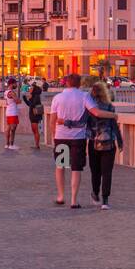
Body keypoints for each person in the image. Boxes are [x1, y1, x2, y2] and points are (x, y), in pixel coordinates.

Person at [49, 73, 117, 209]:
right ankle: (74, 200)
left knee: (60, 167)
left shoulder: (58, 98)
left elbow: (52, 121)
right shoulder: (84, 96)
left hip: (61, 137)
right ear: (79, 84)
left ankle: (61, 196)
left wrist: (54, 136)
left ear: (66, 82)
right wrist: (113, 115)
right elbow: (96, 112)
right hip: (77, 138)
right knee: (76, 168)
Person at [85, 81, 124, 210]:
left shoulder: (89, 107)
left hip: (93, 142)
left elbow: (83, 123)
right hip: (108, 143)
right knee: (107, 172)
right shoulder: (110, 107)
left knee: (95, 171)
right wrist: (120, 142)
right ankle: (105, 200)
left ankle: (95, 193)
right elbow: (114, 126)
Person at [25, 82, 45, 148]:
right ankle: (36, 144)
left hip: (34, 115)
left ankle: (37, 145)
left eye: (31, 88)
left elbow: (33, 104)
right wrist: (25, 99)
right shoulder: (34, 96)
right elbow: (30, 105)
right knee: (34, 130)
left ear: (34, 89)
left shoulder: (36, 96)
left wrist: (29, 98)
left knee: (35, 130)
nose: (30, 89)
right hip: (32, 114)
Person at [2, 78, 20, 150]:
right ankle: (11, 145)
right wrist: (18, 99)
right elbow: (18, 101)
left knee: (8, 128)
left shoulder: (6, 92)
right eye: (15, 83)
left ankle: (7, 144)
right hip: (13, 112)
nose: (16, 85)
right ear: (12, 84)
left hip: (8, 111)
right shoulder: (11, 92)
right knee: (13, 129)